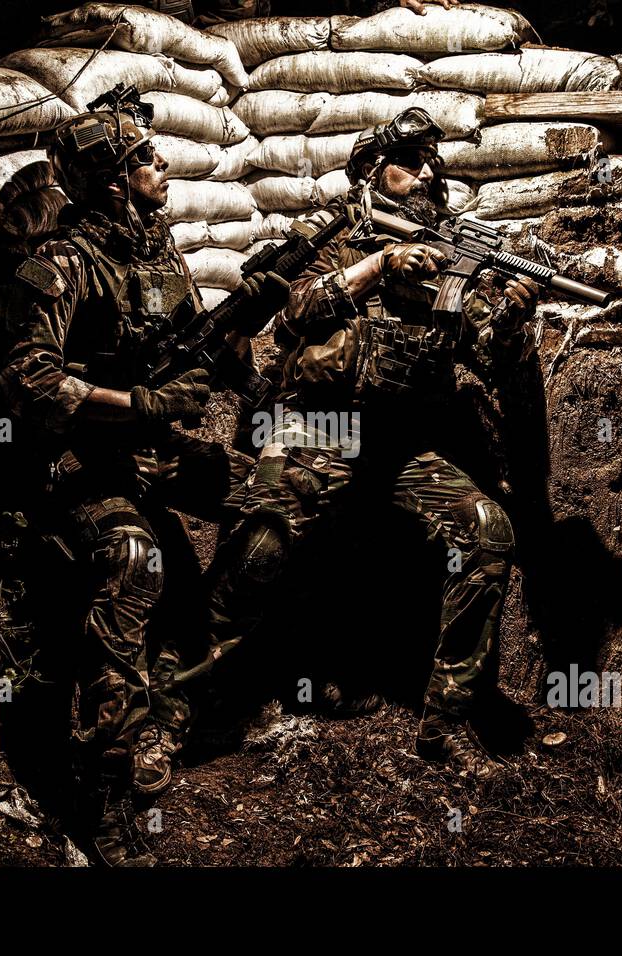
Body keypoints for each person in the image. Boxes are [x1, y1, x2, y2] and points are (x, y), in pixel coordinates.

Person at [160, 107, 540, 780]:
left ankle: (444, 723)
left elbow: (487, 352)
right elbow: (295, 309)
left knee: (488, 531)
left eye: (433, 164)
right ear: (369, 170)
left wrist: (510, 317)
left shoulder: (456, 255)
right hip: (319, 429)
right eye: (409, 161)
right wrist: (377, 265)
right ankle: (180, 703)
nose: (426, 173)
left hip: (400, 446)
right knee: (262, 544)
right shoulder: (332, 233)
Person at [0, 93, 253, 864]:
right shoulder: (63, 265)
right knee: (134, 560)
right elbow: (30, 381)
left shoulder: (160, 250)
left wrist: (249, 329)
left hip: (156, 451)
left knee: (284, 497)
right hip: (83, 463)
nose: (162, 164)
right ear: (113, 180)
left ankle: (185, 690)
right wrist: (138, 401)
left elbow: (204, 348)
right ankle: (104, 790)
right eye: (145, 158)